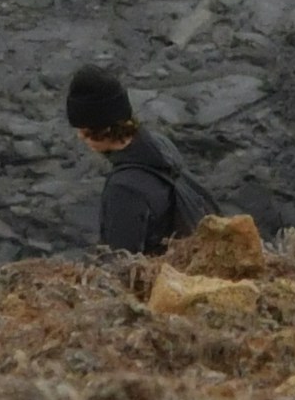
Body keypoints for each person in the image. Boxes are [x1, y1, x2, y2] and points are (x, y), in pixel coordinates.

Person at [66, 67, 216, 259]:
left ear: (101, 130)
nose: (79, 137)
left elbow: (120, 263)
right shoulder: (160, 145)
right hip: (190, 260)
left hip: (163, 280)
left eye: (84, 132)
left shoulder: (124, 188)